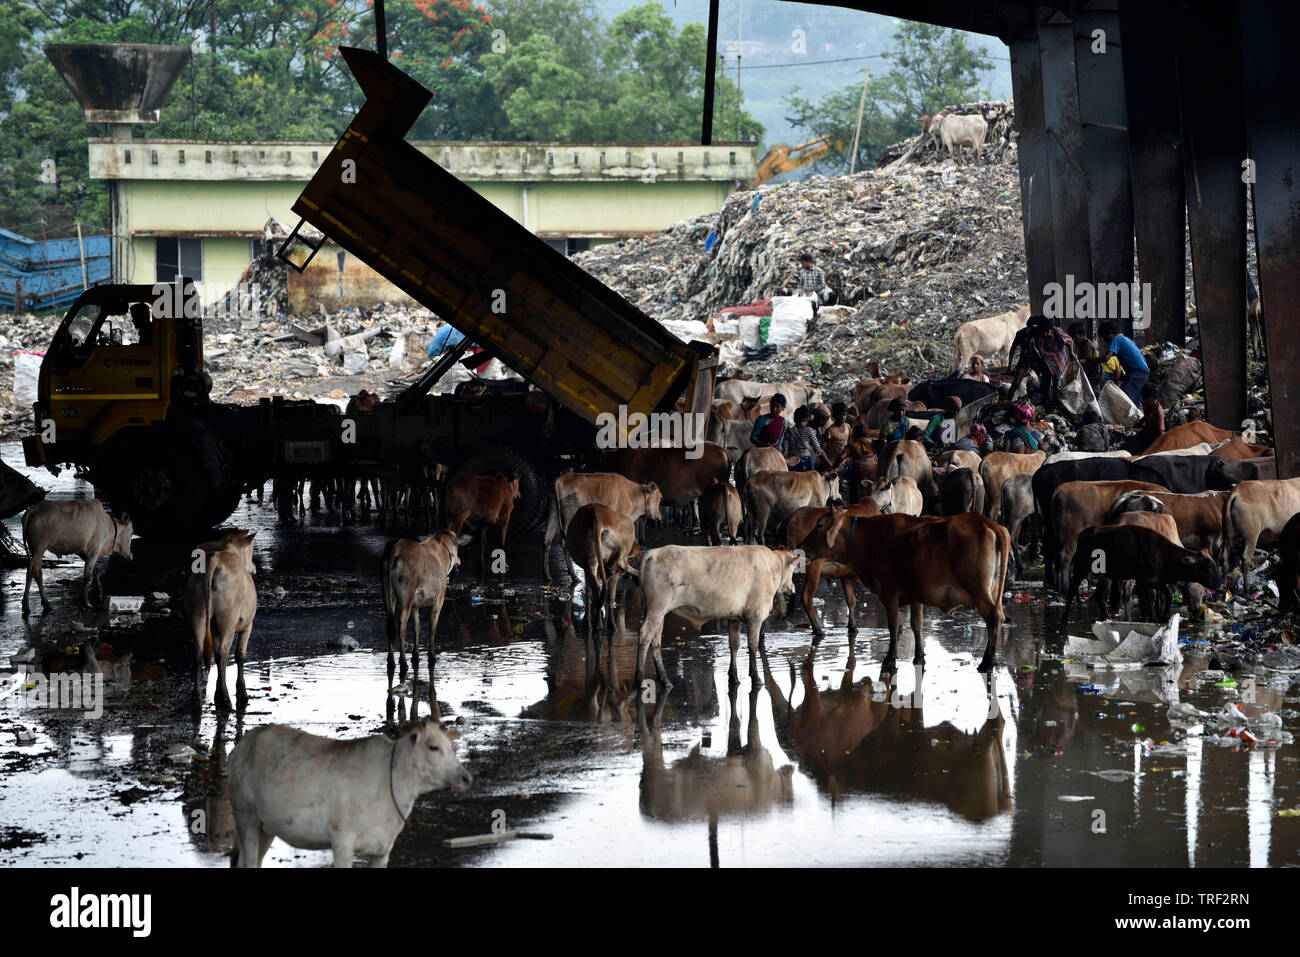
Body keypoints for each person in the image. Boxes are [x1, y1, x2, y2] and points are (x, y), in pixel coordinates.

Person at [1010, 314, 1075, 410]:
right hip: (1047, 362)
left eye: (1047, 331)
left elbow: (1069, 341)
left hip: (1058, 362)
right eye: (1043, 331)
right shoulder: (1036, 331)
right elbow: (1027, 338)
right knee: (1045, 385)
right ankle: (1047, 405)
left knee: (1058, 385)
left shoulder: (1057, 332)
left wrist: (1072, 353)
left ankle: (1059, 406)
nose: (1045, 333)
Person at [1098, 320, 1149, 407]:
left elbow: (1106, 358)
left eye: (1104, 337)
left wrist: (1089, 361)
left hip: (1137, 373)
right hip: (1143, 373)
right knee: (1132, 404)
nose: (1106, 341)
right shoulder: (1125, 339)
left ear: (1110, 333)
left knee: (1122, 400)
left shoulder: (1116, 339)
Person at [783, 405, 827, 472]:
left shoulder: (788, 432)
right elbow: (818, 450)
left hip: (792, 462)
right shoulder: (809, 431)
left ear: (795, 419)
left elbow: (785, 451)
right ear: (807, 419)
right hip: (806, 463)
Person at [1124, 383, 1165, 454]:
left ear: (1154, 398)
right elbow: (1146, 416)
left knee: (1139, 451)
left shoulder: (1158, 412)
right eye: (1143, 398)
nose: (1144, 401)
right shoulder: (1146, 403)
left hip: (1154, 436)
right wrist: (1136, 425)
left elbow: (1160, 432)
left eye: (1147, 398)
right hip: (1146, 431)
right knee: (1127, 445)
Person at [820, 402, 852, 466]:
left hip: (843, 459)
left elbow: (849, 442)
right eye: (839, 415)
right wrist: (827, 462)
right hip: (831, 461)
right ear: (834, 415)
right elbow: (820, 446)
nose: (842, 417)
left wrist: (844, 455)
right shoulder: (830, 430)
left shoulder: (848, 426)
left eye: (844, 414)